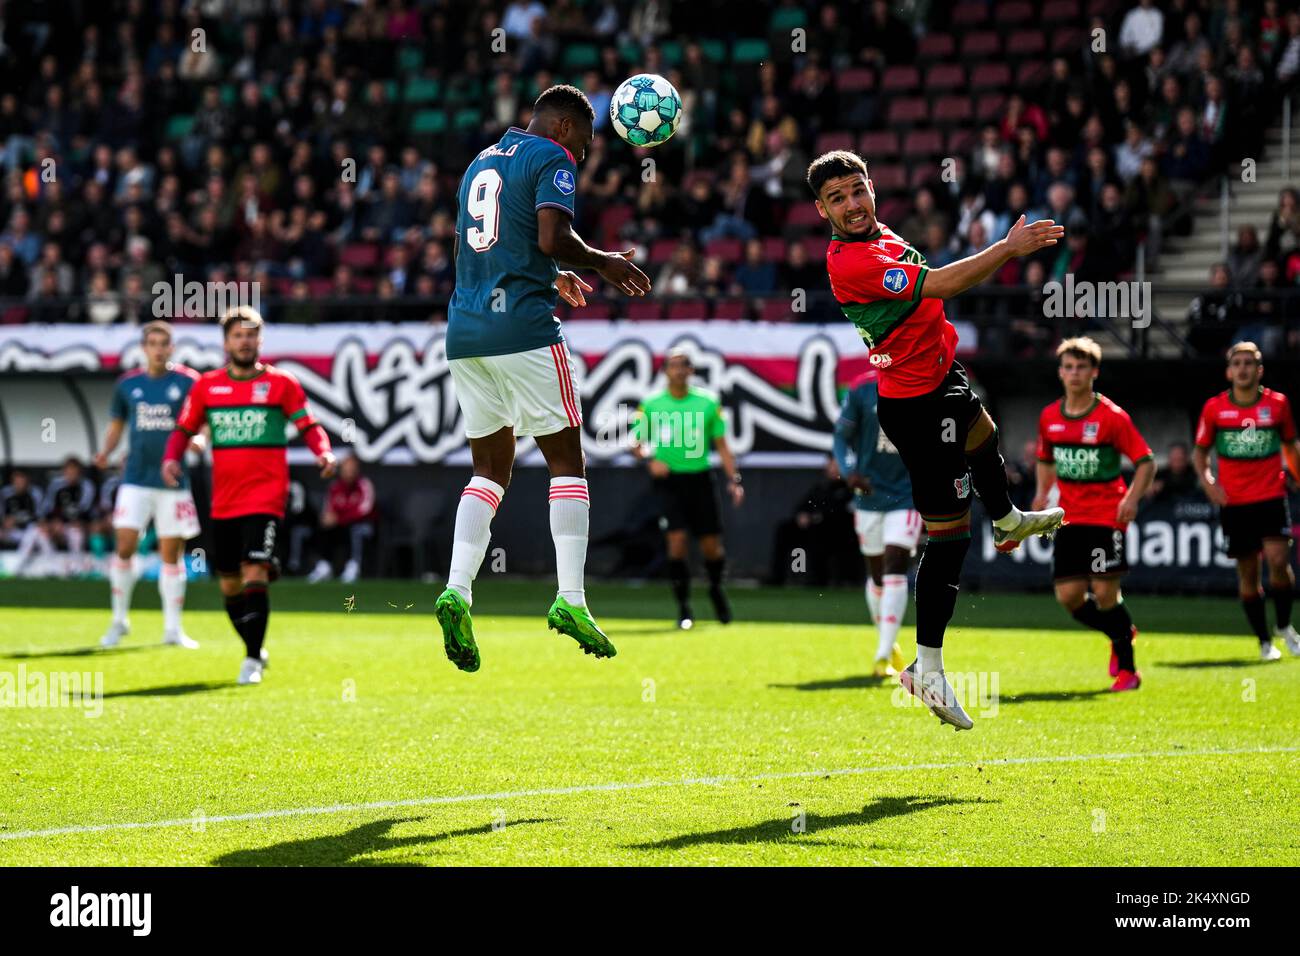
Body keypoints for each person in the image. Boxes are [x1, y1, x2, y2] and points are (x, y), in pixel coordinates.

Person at [808, 149, 1066, 730]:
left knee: (985, 434)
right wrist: (1007, 248)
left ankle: (1005, 517)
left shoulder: (883, 235)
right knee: (949, 539)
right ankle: (926, 666)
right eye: (837, 198)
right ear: (821, 209)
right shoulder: (853, 263)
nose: (851, 204)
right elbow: (943, 282)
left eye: (856, 190)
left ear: (871, 186)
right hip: (918, 405)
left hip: (940, 379)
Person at [434, 84, 650, 672]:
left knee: (489, 470)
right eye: (581, 144)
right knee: (566, 464)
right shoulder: (551, 158)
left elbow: (485, 247)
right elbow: (552, 235)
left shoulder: (481, 161)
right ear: (561, 128)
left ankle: (457, 588)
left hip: (464, 332)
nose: (579, 156)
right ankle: (571, 599)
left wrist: (549, 272)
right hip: (524, 332)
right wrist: (604, 262)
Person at [163, 307, 336, 684]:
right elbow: (183, 428)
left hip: (266, 497)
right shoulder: (207, 386)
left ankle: (252, 657)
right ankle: (254, 645)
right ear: (226, 342)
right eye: (238, 335)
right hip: (223, 500)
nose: (245, 341)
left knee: (255, 569)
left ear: (260, 340)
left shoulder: (282, 384)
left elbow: (309, 424)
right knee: (228, 584)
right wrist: (170, 459)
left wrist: (323, 451)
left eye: (251, 335)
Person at [1033, 337, 1155, 691]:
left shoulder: (1111, 417)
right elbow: (1045, 460)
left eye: (1081, 367)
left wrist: (1132, 498)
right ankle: (1121, 630)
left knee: (1104, 593)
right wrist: (1042, 493)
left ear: (1094, 372)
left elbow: (1146, 463)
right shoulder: (1049, 417)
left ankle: (1129, 673)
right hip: (1069, 518)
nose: (1074, 373)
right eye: (1068, 367)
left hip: (1106, 517)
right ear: (1060, 372)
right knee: (1069, 597)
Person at [95, 321, 203, 649]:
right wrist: (105, 451)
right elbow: (117, 425)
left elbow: (202, 420)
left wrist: (199, 440)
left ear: (172, 347)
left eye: (163, 343)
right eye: (152, 342)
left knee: (171, 554)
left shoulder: (188, 382)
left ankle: (173, 629)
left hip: (173, 480)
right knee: (124, 544)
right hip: (136, 478)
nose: (158, 348)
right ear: (143, 347)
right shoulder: (128, 385)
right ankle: (119, 621)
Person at [1193, 341, 1300, 660]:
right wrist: (1208, 482)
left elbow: (1290, 448)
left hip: (1270, 495)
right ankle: (1263, 641)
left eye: (1249, 362)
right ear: (1229, 371)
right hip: (1235, 503)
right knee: (1249, 574)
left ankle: (1284, 627)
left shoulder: (1278, 405)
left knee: (1279, 562)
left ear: (1259, 369)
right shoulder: (1214, 408)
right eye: (1237, 363)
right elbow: (1200, 452)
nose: (1243, 368)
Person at [630, 348, 743, 629]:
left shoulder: (707, 402)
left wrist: (734, 480)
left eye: (684, 366)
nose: (679, 370)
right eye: (673, 365)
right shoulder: (651, 404)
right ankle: (683, 607)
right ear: (665, 371)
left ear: (692, 371)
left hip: (700, 480)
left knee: (712, 547)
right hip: (669, 483)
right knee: (677, 542)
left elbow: (722, 445)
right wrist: (649, 459)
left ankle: (716, 589)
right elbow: (635, 443)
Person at [833, 370, 920, 677]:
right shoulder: (862, 388)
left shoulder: (922, 381)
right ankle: (889, 641)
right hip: (869, 493)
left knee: (896, 560)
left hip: (908, 493)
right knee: (877, 573)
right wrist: (848, 470)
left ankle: (883, 653)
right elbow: (841, 437)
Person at [308, 454, 376, 584]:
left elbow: (364, 510)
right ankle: (324, 565)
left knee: (356, 529)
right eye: (346, 469)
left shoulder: (364, 485)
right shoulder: (335, 487)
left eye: (352, 469)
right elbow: (329, 508)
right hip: (341, 526)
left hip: (363, 525)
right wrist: (330, 518)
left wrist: (340, 518)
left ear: (357, 470)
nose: (349, 473)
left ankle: (354, 565)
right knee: (324, 526)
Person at [41, 457, 96, 576]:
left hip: (80, 526)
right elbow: (47, 508)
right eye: (68, 472)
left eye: (74, 472)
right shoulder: (56, 485)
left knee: (76, 533)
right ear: (64, 472)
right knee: (38, 532)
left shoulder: (86, 486)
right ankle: (53, 567)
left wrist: (69, 522)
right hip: (59, 526)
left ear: (79, 473)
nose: (71, 475)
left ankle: (76, 568)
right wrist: (52, 523)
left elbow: (85, 510)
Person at [0, 469, 46, 575]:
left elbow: (40, 517)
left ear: (27, 482)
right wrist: (4, 522)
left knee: (37, 532)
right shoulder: (4, 494)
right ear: (13, 482)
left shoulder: (35, 493)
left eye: (22, 482)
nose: (20, 484)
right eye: (17, 482)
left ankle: (16, 569)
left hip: (29, 531)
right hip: (11, 532)